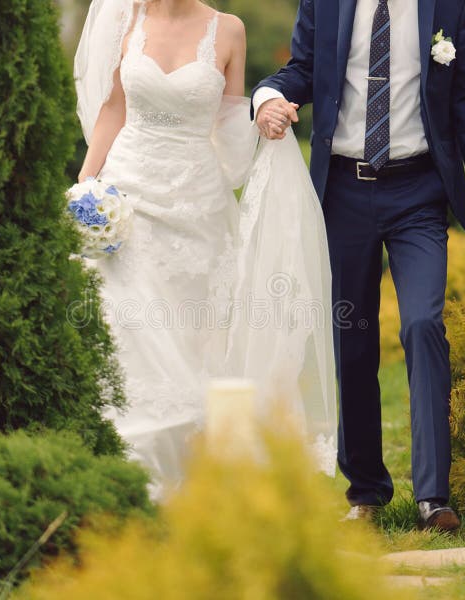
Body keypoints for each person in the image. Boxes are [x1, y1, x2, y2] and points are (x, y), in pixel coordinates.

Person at [253, 0, 465, 531]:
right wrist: (269, 97)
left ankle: (432, 497)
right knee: (354, 338)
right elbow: (303, 68)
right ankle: (366, 493)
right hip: (344, 192)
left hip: (419, 190)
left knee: (422, 323)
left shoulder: (454, 5)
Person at [74, 0, 337, 500]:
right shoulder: (125, 22)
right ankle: (125, 469)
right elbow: (113, 108)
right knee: (128, 328)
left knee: (197, 335)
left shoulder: (229, 31)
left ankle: (197, 472)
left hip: (198, 208)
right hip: (129, 200)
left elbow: (229, 127)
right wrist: (87, 186)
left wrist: (267, 120)